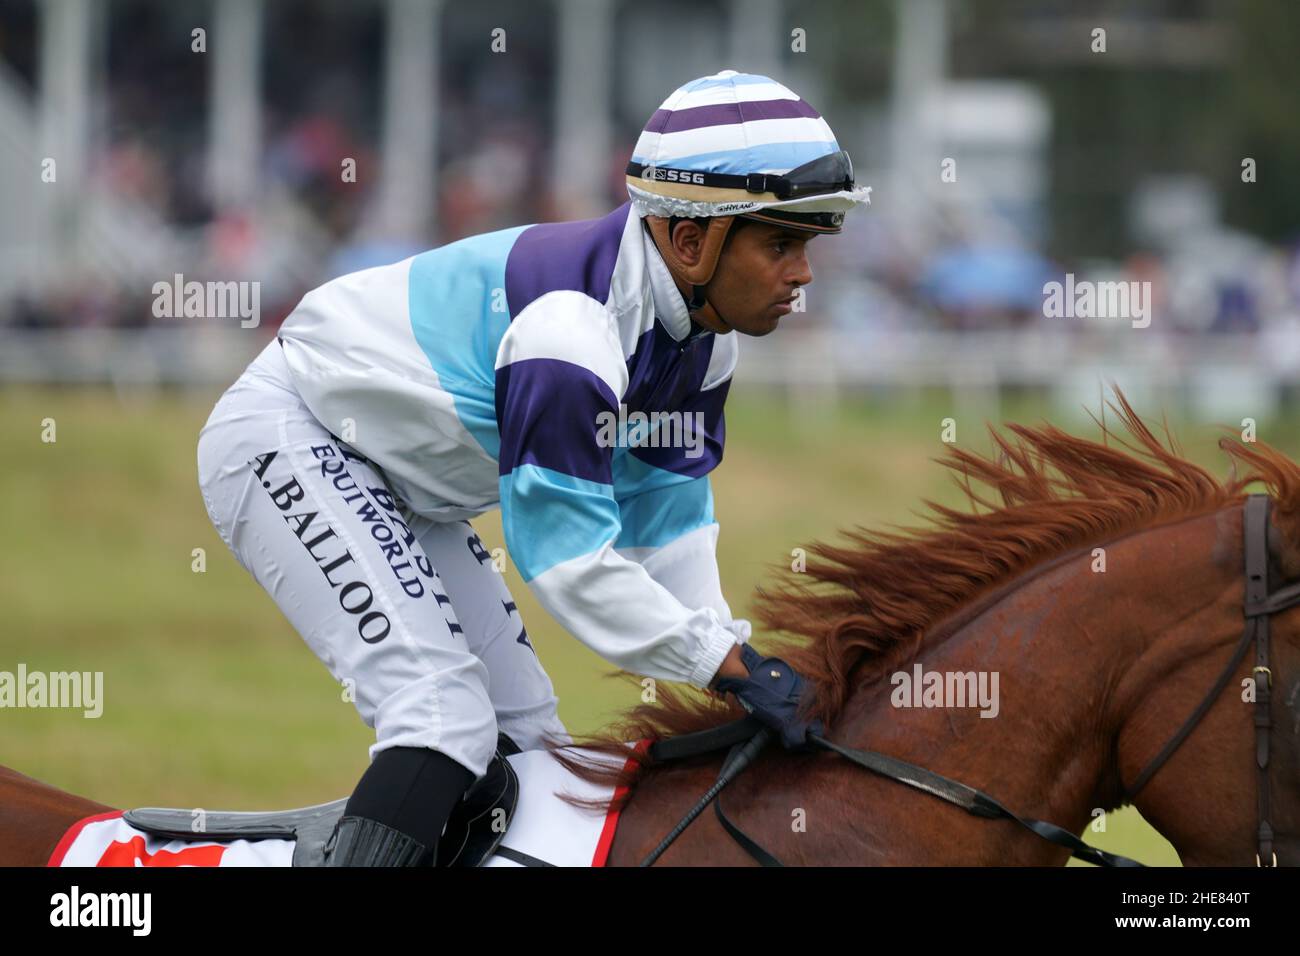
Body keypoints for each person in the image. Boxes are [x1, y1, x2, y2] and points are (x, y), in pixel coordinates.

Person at [196, 69, 870, 866]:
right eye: (782, 243)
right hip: (293, 434)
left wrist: (731, 653)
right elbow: (570, 560)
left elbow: (666, 535)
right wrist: (728, 668)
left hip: (408, 489)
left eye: (809, 244)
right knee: (441, 720)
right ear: (691, 241)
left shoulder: (702, 342)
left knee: (532, 752)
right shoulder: (570, 331)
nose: (804, 274)